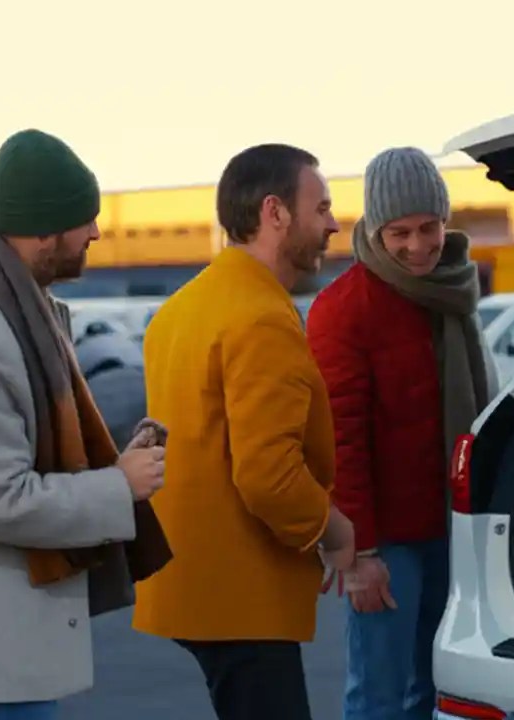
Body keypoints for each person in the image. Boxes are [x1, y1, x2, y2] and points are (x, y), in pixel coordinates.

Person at [0, 128, 172, 720]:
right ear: (46, 229)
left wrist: (112, 465)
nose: (97, 233)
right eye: (86, 220)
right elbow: (0, 500)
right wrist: (118, 485)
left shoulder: (0, 309)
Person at [132, 143, 355, 720]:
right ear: (275, 213)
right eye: (322, 206)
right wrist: (334, 531)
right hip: (240, 596)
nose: (333, 223)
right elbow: (268, 474)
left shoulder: (181, 309)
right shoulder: (260, 316)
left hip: (191, 584)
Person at [307, 146, 497, 720]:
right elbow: (342, 441)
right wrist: (359, 553)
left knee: (439, 690)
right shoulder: (344, 310)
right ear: (374, 229)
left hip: (452, 527)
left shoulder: (452, 291)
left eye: (429, 228)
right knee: (380, 697)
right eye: (400, 233)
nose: (417, 246)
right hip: (386, 543)